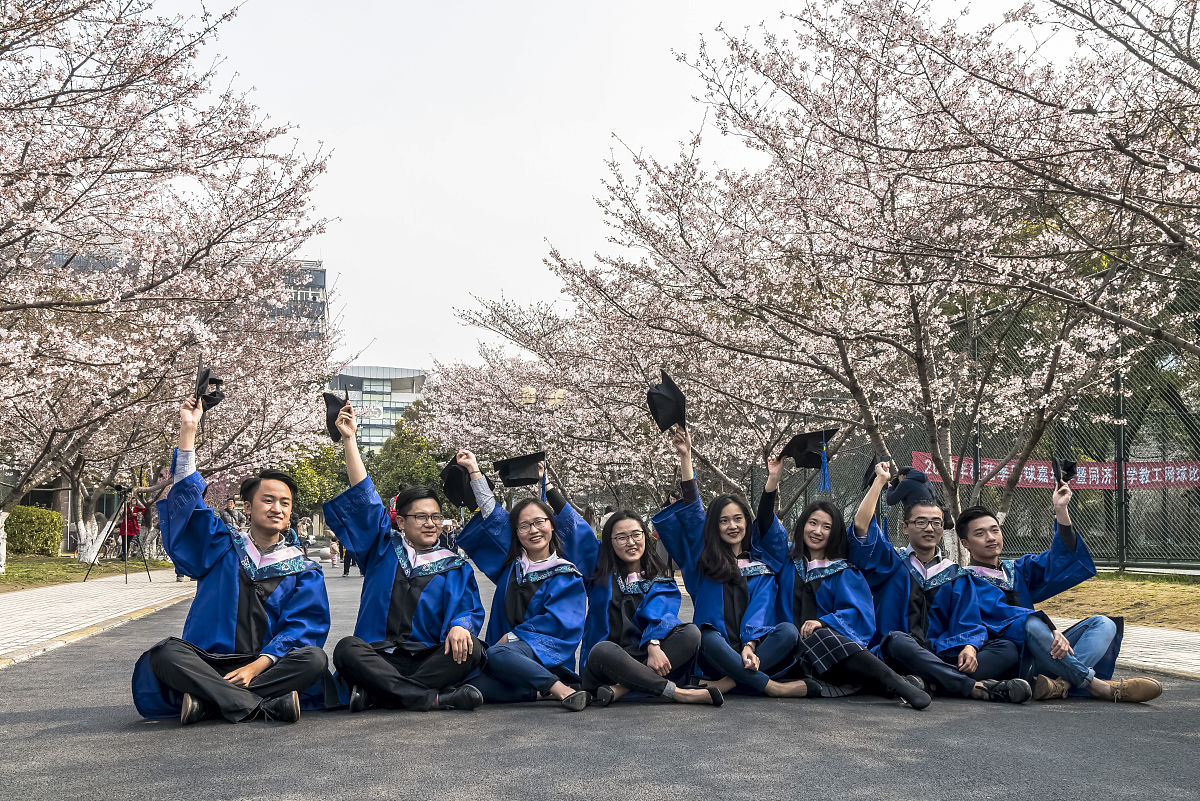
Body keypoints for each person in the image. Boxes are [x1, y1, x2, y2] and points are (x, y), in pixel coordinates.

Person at [131, 398, 331, 725]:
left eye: (284, 503)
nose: (277, 508)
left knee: (314, 659)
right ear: (247, 507)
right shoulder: (222, 545)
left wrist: (256, 667)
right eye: (267, 500)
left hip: (265, 665)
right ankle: (263, 706)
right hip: (209, 661)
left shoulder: (303, 569)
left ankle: (208, 701)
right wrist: (189, 429)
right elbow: (188, 507)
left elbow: (303, 628)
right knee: (166, 654)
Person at [324, 403, 486, 713]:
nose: (430, 523)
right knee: (347, 649)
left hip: (428, 656)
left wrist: (462, 626)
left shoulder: (454, 566)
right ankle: (428, 698)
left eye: (436, 517)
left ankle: (379, 693)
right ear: (401, 522)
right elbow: (365, 499)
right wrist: (350, 441)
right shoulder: (384, 549)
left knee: (473, 649)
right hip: (379, 655)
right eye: (421, 517)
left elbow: (469, 609)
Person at [756, 455, 931, 709]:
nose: (817, 531)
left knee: (822, 635)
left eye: (826, 527)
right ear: (802, 526)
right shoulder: (786, 562)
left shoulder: (843, 571)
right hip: (791, 654)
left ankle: (893, 682)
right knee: (816, 638)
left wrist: (821, 622)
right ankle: (895, 683)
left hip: (833, 656)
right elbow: (765, 527)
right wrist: (772, 480)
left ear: (834, 533)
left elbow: (857, 614)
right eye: (812, 523)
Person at [848, 463, 1031, 703]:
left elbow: (968, 621)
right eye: (920, 522)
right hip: (901, 655)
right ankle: (971, 687)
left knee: (1006, 649)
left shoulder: (955, 575)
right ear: (905, 528)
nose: (929, 528)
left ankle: (927, 683)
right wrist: (879, 482)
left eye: (935, 522)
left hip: (943, 652)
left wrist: (970, 647)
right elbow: (862, 529)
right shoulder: (893, 563)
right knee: (896, 640)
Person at [956, 493, 1162, 703]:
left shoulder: (1017, 569)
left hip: (1047, 653)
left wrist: (1061, 510)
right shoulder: (964, 581)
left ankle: (1060, 685)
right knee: (1031, 624)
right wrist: (1049, 627)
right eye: (980, 534)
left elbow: (1059, 558)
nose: (991, 538)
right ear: (965, 543)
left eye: (995, 530)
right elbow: (1001, 616)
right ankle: (1098, 687)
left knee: (1104, 623)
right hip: (1014, 659)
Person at [653, 428, 807, 698]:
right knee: (706, 637)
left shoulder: (761, 560)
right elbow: (692, 513)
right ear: (715, 525)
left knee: (788, 632)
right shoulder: (706, 561)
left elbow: (768, 524)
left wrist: (772, 480)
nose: (732, 526)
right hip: (718, 650)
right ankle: (768, 686)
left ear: (747, 522)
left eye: (738, 519)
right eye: (724, 520)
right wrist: (686, 458)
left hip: (757, 649)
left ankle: (729, 683)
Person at [547, 465, 719, 707]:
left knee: (691, 633)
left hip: (649, 657)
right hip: (608, 663)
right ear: (610, 542)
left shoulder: (660, 579)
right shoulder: (600, 573)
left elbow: (661, 614)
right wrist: (549, 488)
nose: (631, 542)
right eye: (621, 537)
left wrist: (653, 644)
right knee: (603, 649)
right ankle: (677, 692)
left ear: (645, 537)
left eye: (636, 535)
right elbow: (579, 532)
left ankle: (623, 688)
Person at [453, 449, 589, 711]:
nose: (533, 530)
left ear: (552, 525)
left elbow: (560, 623)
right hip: (505, 659)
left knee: (497, 653)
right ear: (516, 532)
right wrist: (474, 471)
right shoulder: (512, 566)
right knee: (462, 679)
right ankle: (538, 693)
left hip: (542, 657)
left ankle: (560, 688)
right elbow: (493, 517)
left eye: (540, 522)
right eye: (524, 525)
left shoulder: (566, 574)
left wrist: (514, 638)